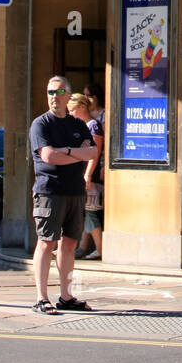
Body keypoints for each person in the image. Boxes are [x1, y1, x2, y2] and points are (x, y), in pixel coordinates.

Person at [28, 76, 99, 314]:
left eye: (58, 92)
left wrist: (67, 151)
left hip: (75, 192)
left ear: (68, 96)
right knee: (46, 242)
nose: (53, 97)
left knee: (69, 244)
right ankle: (41, 297)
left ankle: (66, 296)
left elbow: (92, 152)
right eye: (49, 92)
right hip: (50, 191)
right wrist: (76, 154)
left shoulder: (78, 125)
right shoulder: (41, 124)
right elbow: (48, 156)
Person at [70, 92, 105, 260]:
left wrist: (88, 175)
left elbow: (95, 153)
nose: (70, 114)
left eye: (72, 110)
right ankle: (83, 247)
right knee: (87, 212)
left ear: (82, 107)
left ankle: (100, 248)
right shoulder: (85, 126)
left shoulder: (93, 126)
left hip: (90, 176)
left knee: (90, 212)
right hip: (83, 174)